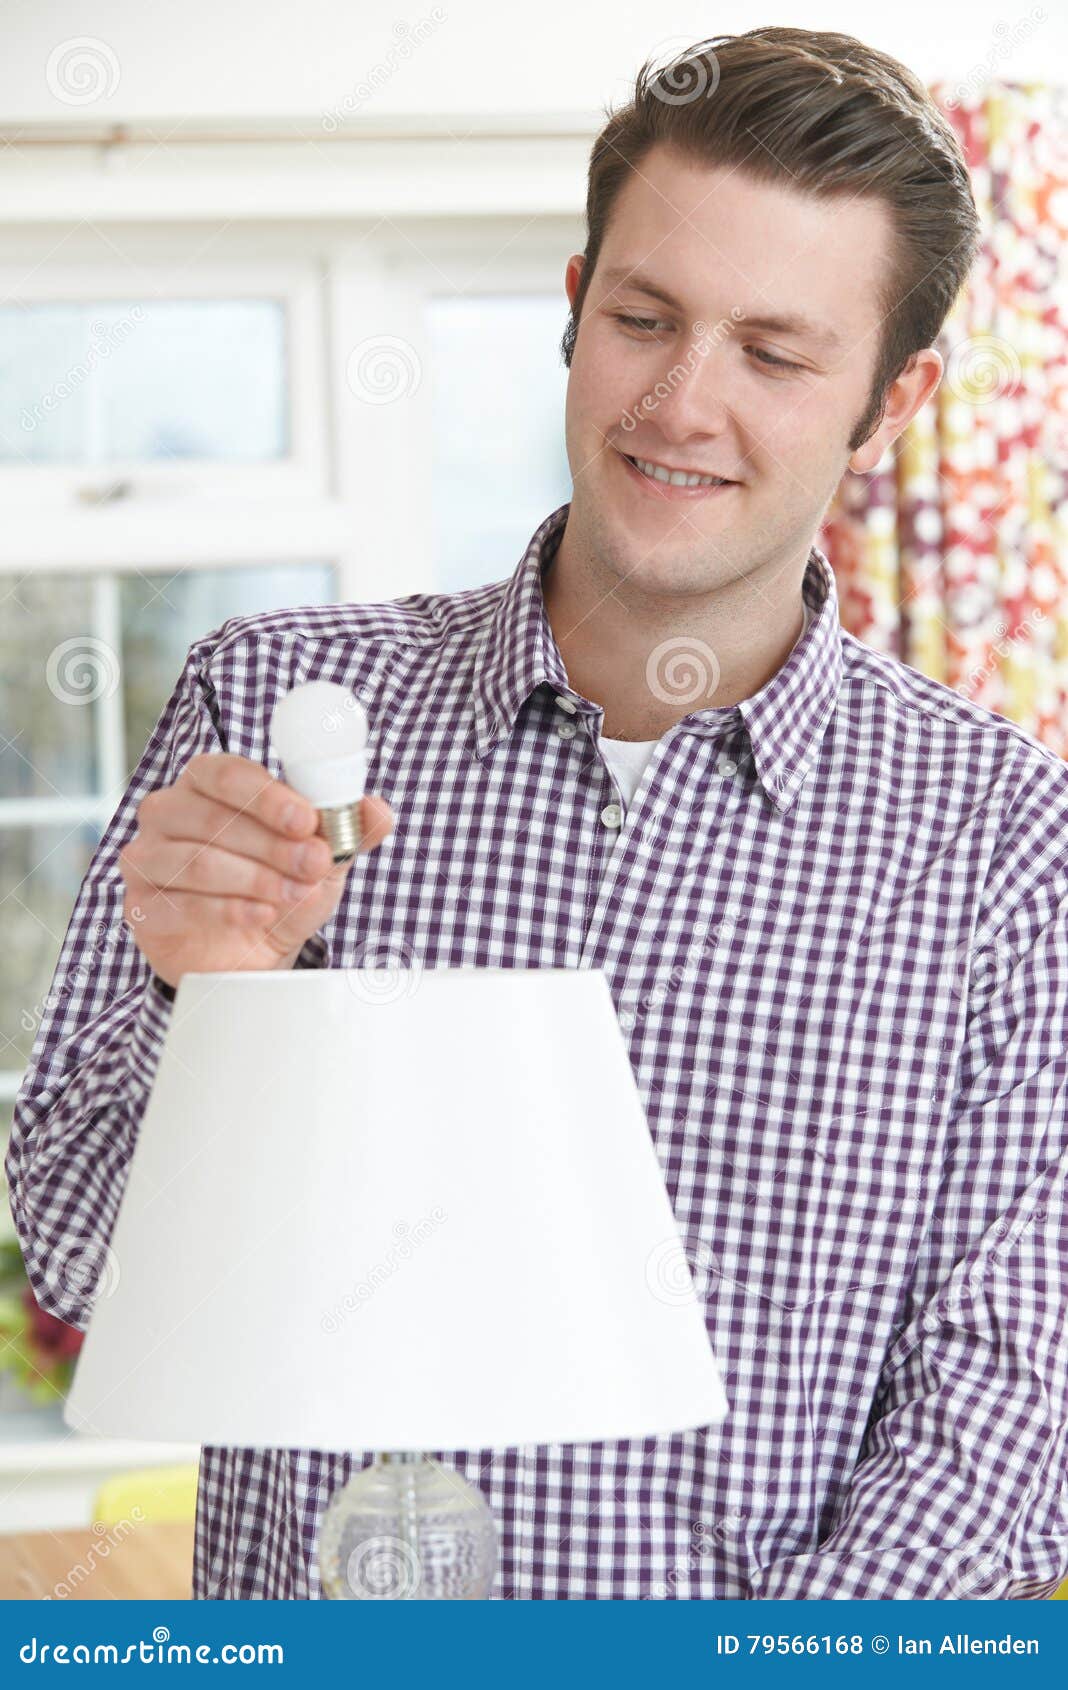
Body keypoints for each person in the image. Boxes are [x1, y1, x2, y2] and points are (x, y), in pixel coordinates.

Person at [8, 28, 1068, 1600]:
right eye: (645, 318)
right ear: (574, 309)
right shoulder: (267, 706)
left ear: (891, 402)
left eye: (775, 355)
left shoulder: (1008, 846)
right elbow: (84, 1265)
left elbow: (1003, 1420)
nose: (683, 404)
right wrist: (199, 1001)